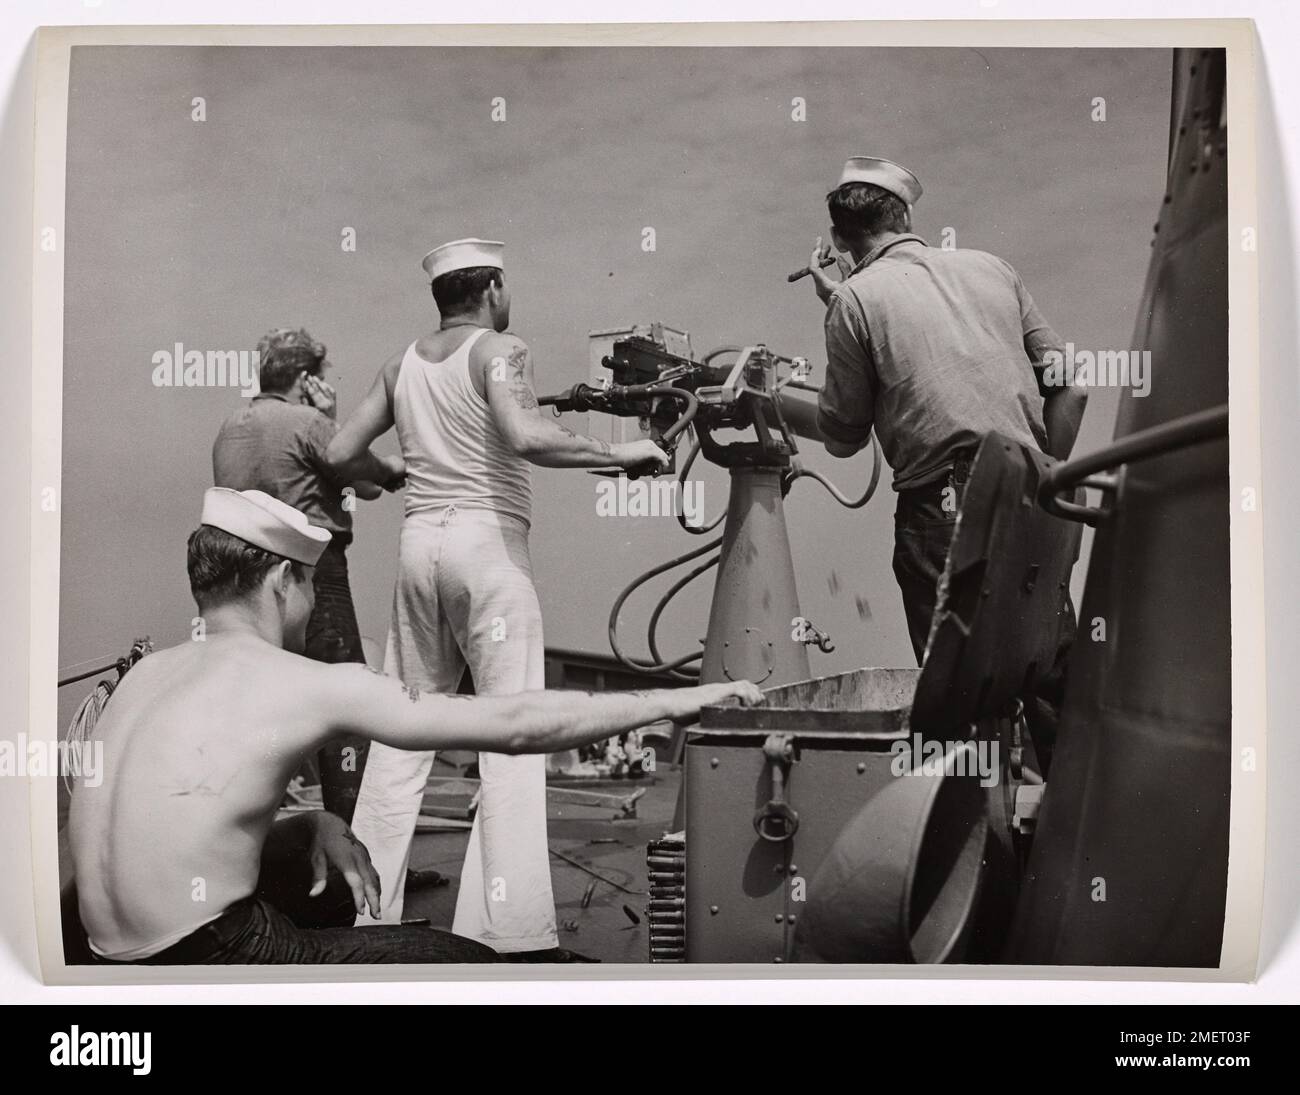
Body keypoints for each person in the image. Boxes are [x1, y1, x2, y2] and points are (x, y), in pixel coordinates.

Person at [67, 488, 761, 965]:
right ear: (282, 580)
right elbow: (515, 722)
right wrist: (678, 701)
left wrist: (307, 825)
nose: (315, 603)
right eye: (313, 583)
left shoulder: (144, 674)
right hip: (212, 954)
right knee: (469, 967)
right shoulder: (301, 682)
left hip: (109, 949)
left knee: (334, 888)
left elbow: (181, 830)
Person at [324, 239, 668, 959]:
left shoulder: (401, 364)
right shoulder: (500, 350)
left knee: (399, 735)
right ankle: (509, 931)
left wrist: (387, 472)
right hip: (487, 545)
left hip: (419, 547)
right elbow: (522, 432)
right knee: (513, 731)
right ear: (492, 288)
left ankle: (368, 915)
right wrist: (619, 454)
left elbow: (337, 454)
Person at [803, 156, 1087, 665]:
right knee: (1051, 674)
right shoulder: (993, 268)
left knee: (958, 691)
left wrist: (842, 303)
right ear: (906, 219)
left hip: (945, 505)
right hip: (1034, 493)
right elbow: (1073, 388)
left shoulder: (852, 301)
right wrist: (1045, 477)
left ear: (839, 240)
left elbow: (844, 441)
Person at [212, 327, 404, 823]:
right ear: (305, 378)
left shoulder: (231, 425)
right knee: (345, 698)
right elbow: (367, 486)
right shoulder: (307, 421)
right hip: (312, 572)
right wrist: (331, 420)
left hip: (245, 580)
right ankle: (355, 851)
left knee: (265, 703)